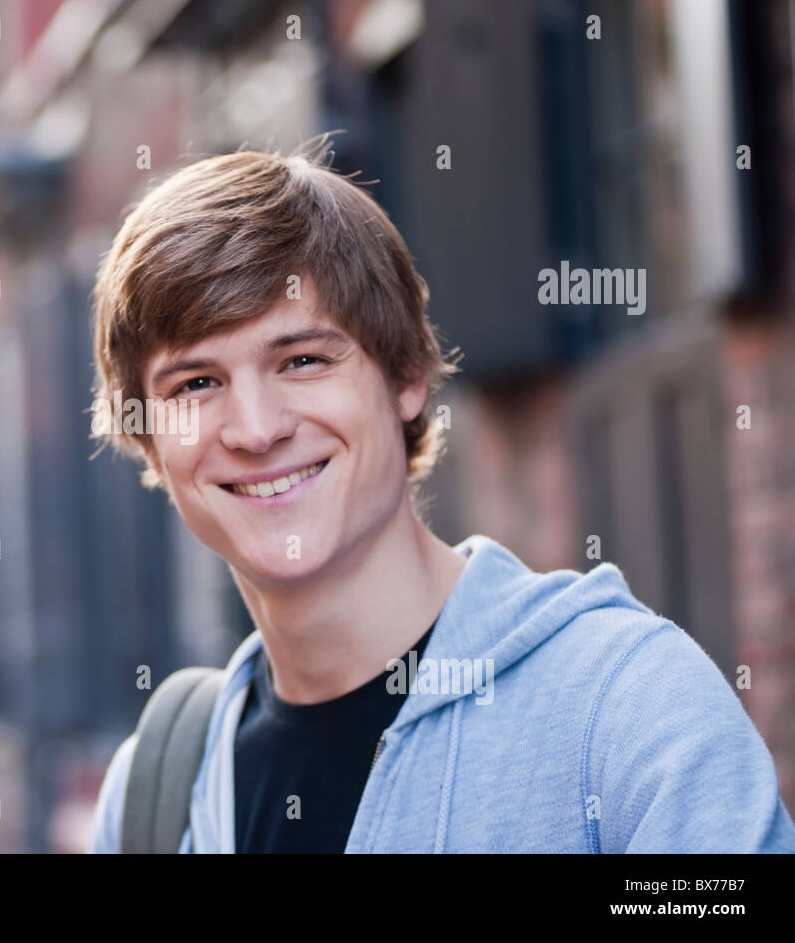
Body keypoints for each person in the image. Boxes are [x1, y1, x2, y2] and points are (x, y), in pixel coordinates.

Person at [83, 138, 795, 853]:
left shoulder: (625, 710)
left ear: (405, 377)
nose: (258, 429)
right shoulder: (154, 794)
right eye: (196, 384)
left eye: (301, 360)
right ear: (147, 436)